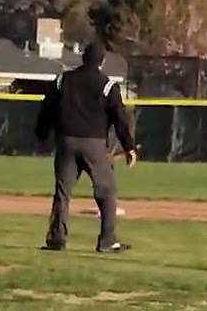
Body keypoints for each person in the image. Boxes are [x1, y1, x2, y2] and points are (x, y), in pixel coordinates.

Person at [34, 42, 136, 253]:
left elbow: (47, 107)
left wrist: (41, 133)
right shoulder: (107, 85)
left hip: (66, 141)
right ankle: (107, 240)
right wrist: (129, 147)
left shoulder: (63, 79)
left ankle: (56, 240)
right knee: (106, 190)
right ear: (102, 61)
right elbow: (120, 118)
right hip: (94, 144)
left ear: (82, 58)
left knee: (63, 192)